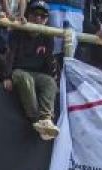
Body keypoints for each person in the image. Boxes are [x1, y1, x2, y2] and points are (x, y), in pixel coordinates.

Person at [6, 1, 61, 140]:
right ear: (28, 14)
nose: (38, 19)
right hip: (18, 71)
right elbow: (9, 55)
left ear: (47, 19)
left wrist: (55, 83)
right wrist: (6, 76)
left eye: (43, 16)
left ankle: (46, 119)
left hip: (37, 73)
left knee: (49, 82)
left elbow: (50, 62)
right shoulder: (18, 30)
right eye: (35, 14)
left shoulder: (48, 35)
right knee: (26, 79)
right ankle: (36, 119)